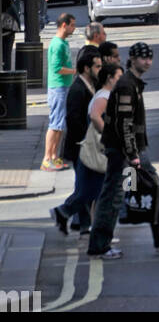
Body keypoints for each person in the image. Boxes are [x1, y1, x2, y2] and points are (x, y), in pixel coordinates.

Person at [87, 41, 159, 260]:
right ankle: (99, 245)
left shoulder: (132, 83)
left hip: (131, 150)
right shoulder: (126, 85)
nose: (148, 61)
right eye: (143, 57)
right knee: (113, 196)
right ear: (132, 59)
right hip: (124, 152)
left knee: (151, 187)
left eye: (150, 57)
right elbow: (124, 123)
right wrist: (132, 154)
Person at [52, 60, 123, 237]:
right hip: (88, 149)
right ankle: (78, 220)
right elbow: (83, 118)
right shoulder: (89, 92)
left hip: (90, 148)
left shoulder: (95, 90)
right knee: (96, 190)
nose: (99, 70)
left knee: (89, 189)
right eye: (97, 66)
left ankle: (77, 220)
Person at [53, 48, 104, 233]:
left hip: (87, 146)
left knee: (85, 187)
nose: (100, 70)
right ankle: (65, 212)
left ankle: (81, 224)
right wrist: (88, 140)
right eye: (97, 67)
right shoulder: (77, 89)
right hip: (81, 147)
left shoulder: (90, 86)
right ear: (86, 68)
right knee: (90, 188)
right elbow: (73, 120)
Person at [42, 13, 76, 171]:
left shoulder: (63, 43)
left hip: (63, 87)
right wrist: (74, 71)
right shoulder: (58, 45)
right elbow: (56, 68)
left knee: (60, 125)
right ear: (64, 25)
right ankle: (47, 158)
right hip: (58, 88)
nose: (74, 28)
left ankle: (54, 157)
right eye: (72, 25)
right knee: (55, 124)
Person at [1, 0, 20, 72]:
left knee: (5, 56)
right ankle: (6, 74)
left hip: (5, 31)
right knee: (7, 56)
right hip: (10, 31)